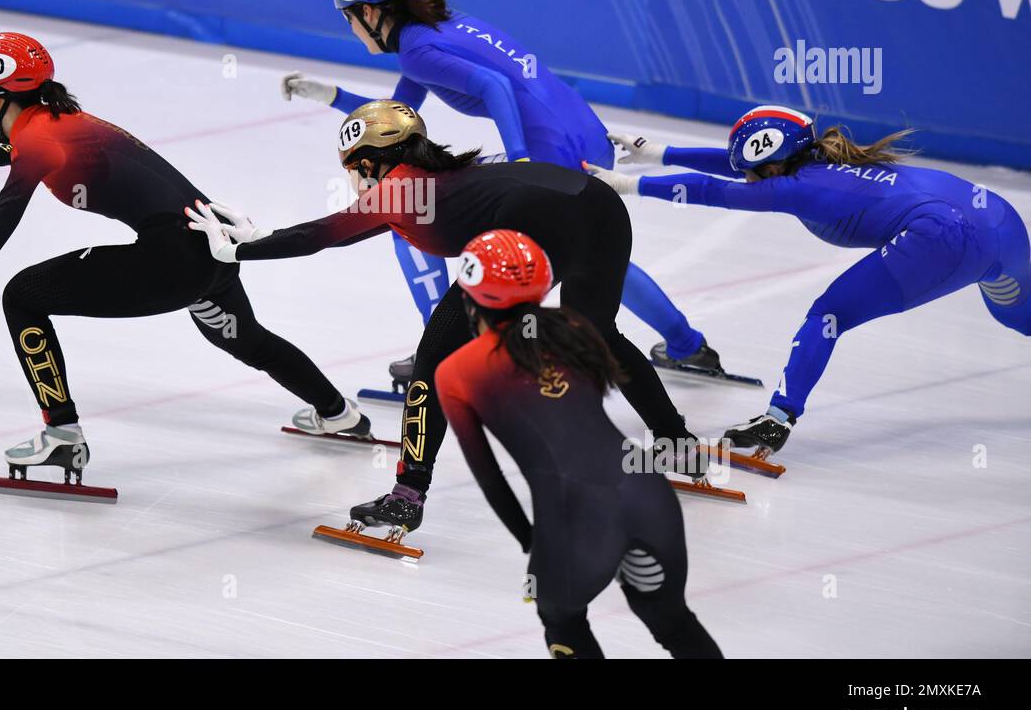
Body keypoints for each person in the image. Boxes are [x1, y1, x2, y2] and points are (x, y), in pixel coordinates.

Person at [185, 99, 701, 532]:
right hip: (600, 207)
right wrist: (259, 239)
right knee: (601, 334)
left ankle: (407, 495)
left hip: (532, 223)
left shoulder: (400, 189)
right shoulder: (431, 182)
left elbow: (318, 236)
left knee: (433, 362)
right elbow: (336, 231)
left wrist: (237, 254)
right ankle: (677, 442)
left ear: (367, 163)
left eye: (350, 168)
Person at [280, 0, 725, 384]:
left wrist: (520, 161)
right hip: (587, 136)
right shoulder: (435, 28)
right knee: (590, 253)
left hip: (550, 153)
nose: (350, 28)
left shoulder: (417, 50)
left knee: (411, 215)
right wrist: (330, 94)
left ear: (371, 12)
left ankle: (439, 353)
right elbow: (400, 117)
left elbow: (493, 86)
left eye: (348, 18)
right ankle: (687, 345)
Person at [0, 31, 367, 480]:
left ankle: (62, 434)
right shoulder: (62, 119)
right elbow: (37, 155)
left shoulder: (40, 133)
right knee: (247, 339)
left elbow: (13, 198)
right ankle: (339, 414)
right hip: (212, 249)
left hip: (171, 263)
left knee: (23, 296)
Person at [589, 105, 1031, 454]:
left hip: (943, 236)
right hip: (1000, 220)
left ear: (775, 167)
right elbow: (733, 168)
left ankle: (777, 420)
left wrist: (629, 185)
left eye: (752, 170)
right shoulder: (818, 158)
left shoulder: (791, 187)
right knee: (1018, 318)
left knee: (828, 315)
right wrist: (659, 152)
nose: (745, 175)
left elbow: (713, 190)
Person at [436, 228, 723, 659]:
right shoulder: (575, 328)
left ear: (469, 298)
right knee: (671, 620)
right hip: (648, 492)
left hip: (575, 518)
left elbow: (490, 478)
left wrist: (531, 540)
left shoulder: (455, 372)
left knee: (563, 619)